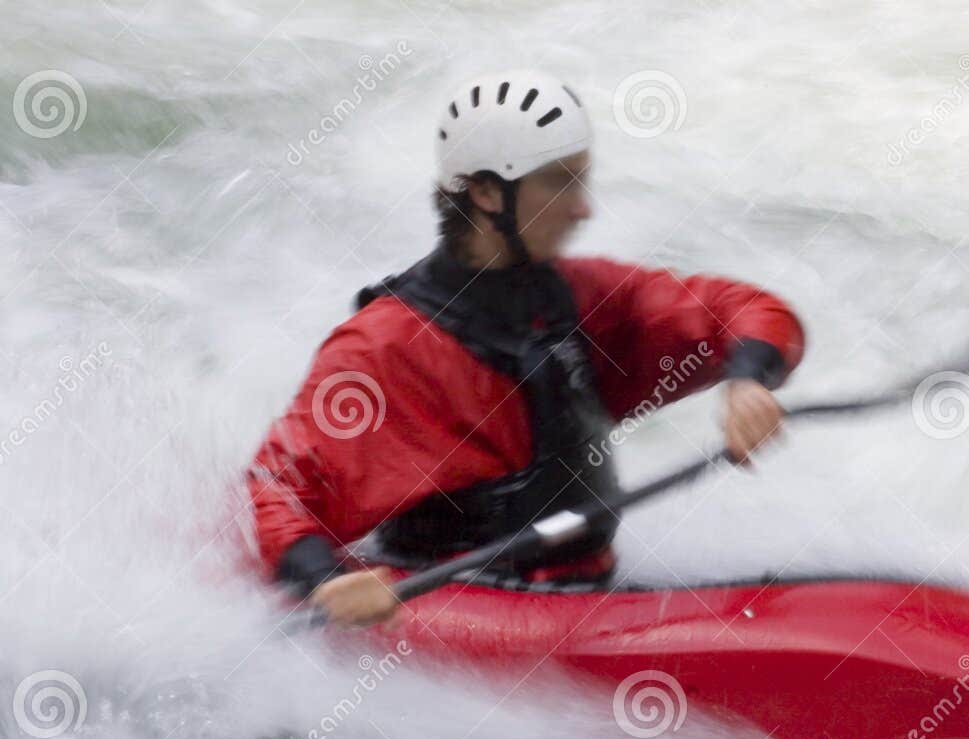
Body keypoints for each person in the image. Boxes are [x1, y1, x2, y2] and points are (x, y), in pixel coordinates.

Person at [249, 68, 804, 627]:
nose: (583, 208)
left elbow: (746, 309)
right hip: (460, 610)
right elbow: (276, 490)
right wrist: (324, 582)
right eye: (559, 183)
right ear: (488, 193)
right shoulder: (383, 347)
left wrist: (747, 379)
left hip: (582, 592)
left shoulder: (583, 296)